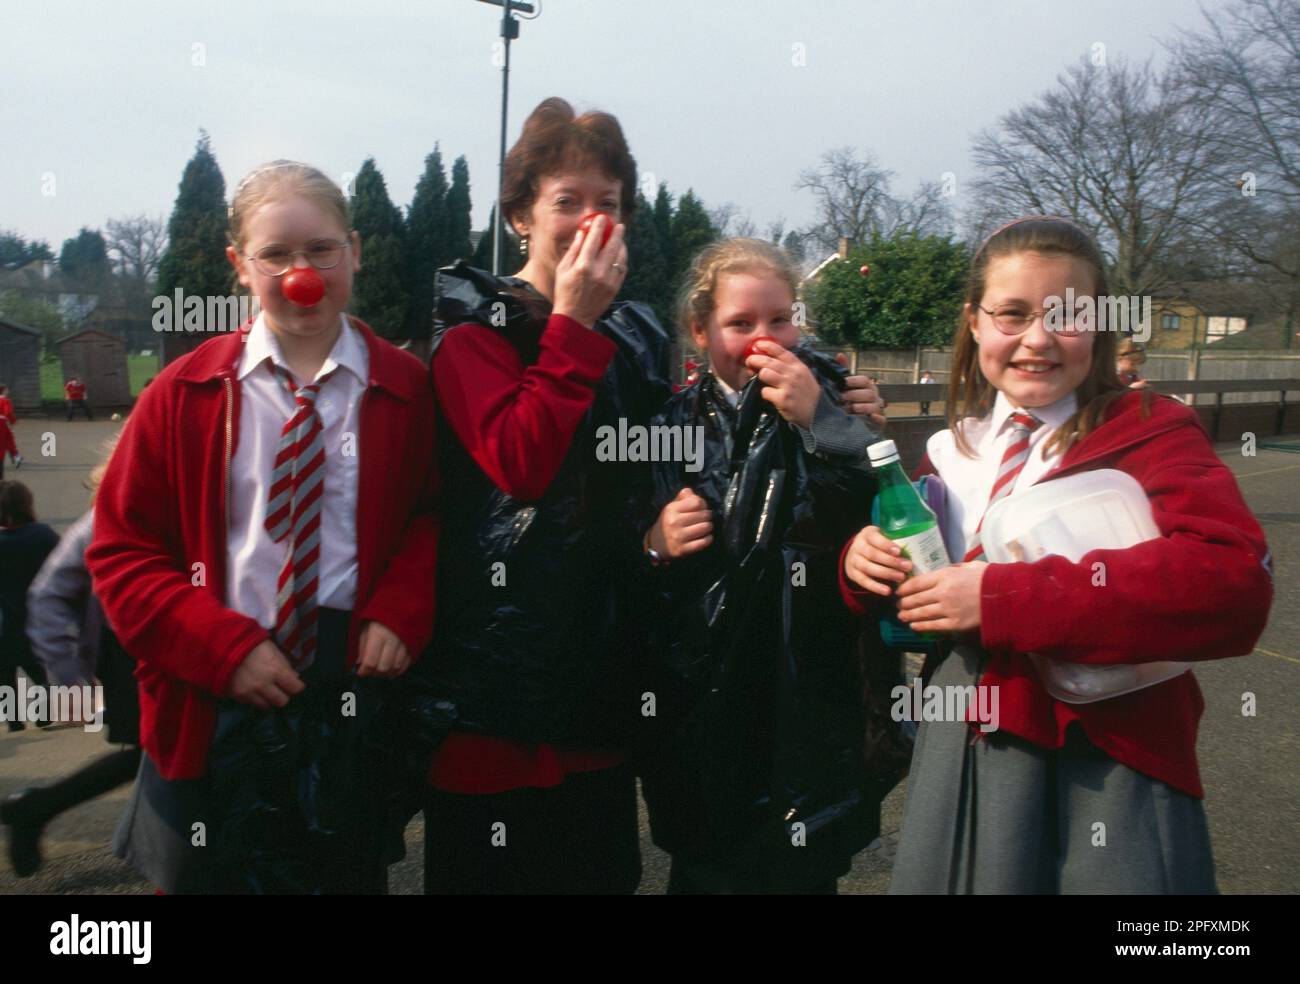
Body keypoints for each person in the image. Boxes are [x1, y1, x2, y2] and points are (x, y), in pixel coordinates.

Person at [840, 216, 1273, 894]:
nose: (1037, 339)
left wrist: (1001, 598)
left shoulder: (1151, 430)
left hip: (1107, 756)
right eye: (1011, 314)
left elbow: (1233, 583)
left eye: (1066, 316)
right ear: (974, 323)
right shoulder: (952, 450)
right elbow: (920, 604)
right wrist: (865, 569)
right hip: (964, 741)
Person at [85, 160, 439, 894]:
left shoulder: (407, 390)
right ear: (238, 266)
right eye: (275, 254)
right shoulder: (181, 395)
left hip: (350, 696)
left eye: (321, 250)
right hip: (212, 698)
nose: (300, 273)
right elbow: (121, 551)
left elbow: (434, 519)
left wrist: (402, 609)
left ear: (356, 251)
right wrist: (221, 649)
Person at [636, 238, 893, 894]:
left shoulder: (835, 401)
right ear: (700, 331)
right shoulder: (669, 424)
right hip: (704, 691)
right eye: (740, 323)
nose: (763, 339)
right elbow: (624, 563)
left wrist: (831, 424)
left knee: (802, 861)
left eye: (781, 319)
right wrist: (655, 543)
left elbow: (891, 513)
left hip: (806, 677)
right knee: (707, 859)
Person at [2, 443, 141, 877]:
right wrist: (70, 681)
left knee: (158, 755)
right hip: (130, 657)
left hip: (135, 652)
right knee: (157, 753)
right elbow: (51, 594)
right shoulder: (110, 513)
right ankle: (39, 807)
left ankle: (39, 808)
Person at [0, 481, 58, 731]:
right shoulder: (43, 535)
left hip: (4, 623)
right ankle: (43, 713)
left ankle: (13, 720)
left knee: (4, 677)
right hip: (37, 621)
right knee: (40, 672)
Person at [0, 384, 22, 476]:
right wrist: (13, 421)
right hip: (2, 422)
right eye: (7, 390)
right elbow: (8, 412)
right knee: (7, 441)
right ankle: (15, 457)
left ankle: (16, 457)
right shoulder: (5, 400)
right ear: (4, 391)